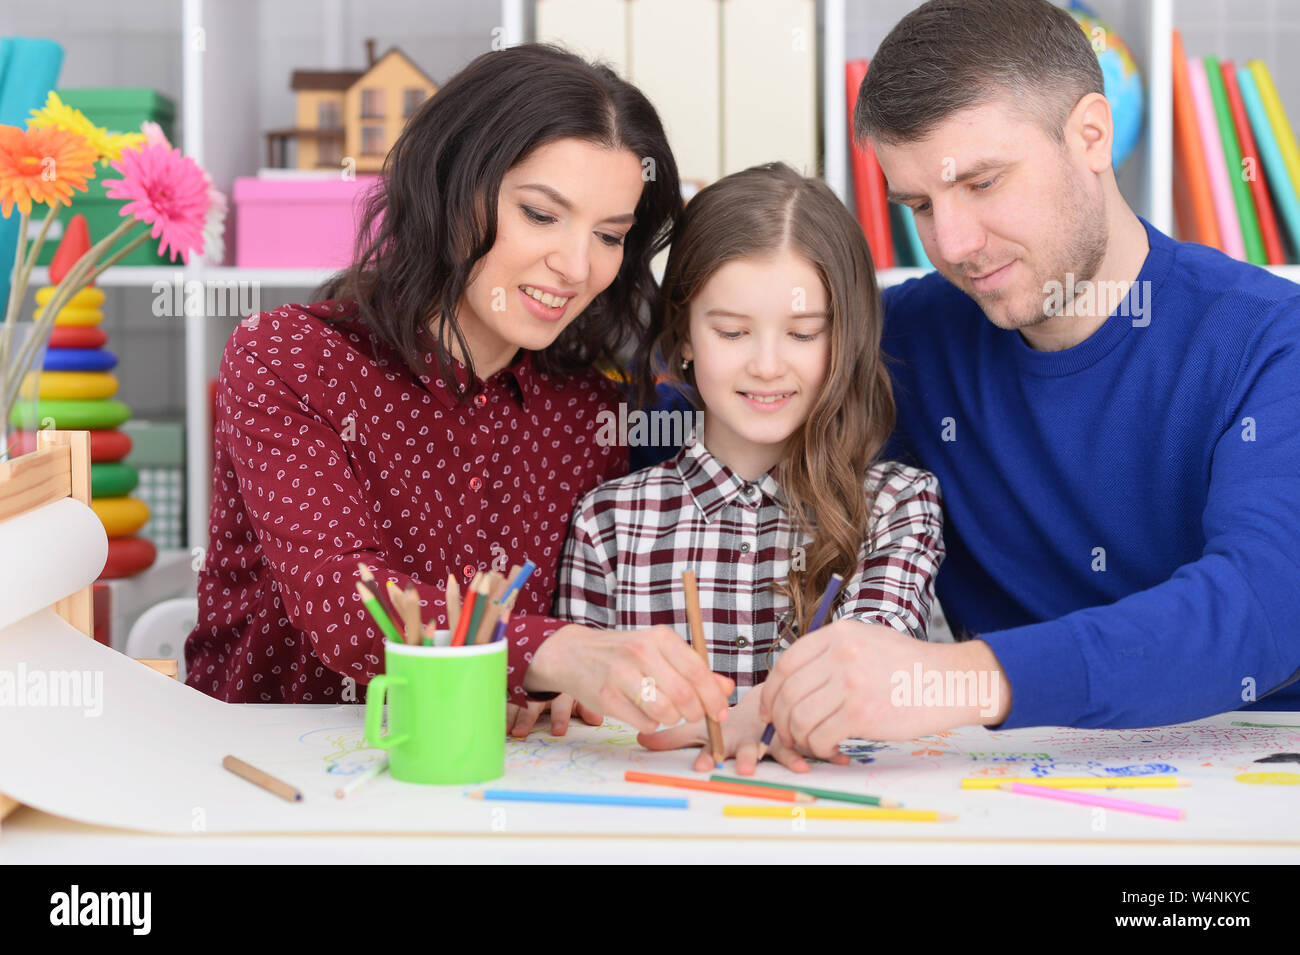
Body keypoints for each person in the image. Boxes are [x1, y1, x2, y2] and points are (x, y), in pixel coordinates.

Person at [759, 0, 1300, 759]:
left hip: (1255, 772)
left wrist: (949, 682)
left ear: (1091, 136)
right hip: (1006, 787)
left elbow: (1260, 607)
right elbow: (698, 413)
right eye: (919, 204)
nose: (951, 244)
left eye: (980, 184)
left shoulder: (1274, 337)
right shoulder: (904, 338)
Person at [186, 43, 733, 734]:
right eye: (541, 213)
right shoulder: (289, 359)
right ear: (451, 185)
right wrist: (557, 651)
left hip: (476, 783)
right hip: (271, 771)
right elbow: (343, 604)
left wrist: (545, 684)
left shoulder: (589, 409)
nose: (574, 265)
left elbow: (541, 646)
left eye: (608, 234)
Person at [553, 163, 944, 773]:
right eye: (733, 332)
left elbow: (879, 646)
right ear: (684, 336)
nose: (766, 365)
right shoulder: (608, 523)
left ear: (845, 339)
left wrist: (766, 710)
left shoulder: (900, 504)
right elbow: (582, 717)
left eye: (803, 333)